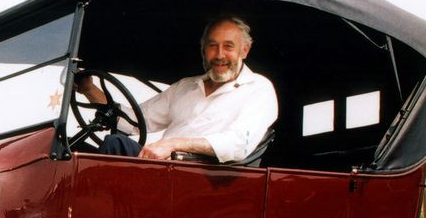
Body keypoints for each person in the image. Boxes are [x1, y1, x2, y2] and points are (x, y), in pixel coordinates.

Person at [75, 16, 278, 162]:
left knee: (115, 145)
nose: (219, 54)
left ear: (245, 50)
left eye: (228, 46)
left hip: (206, 177)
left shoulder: (258, 88)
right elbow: (135, 121)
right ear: (204, 50)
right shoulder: (185, 87)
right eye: (212, 46)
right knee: (77, 149)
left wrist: (173, 144)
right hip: (166, 169)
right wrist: (88, 89)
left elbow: (238, 144)